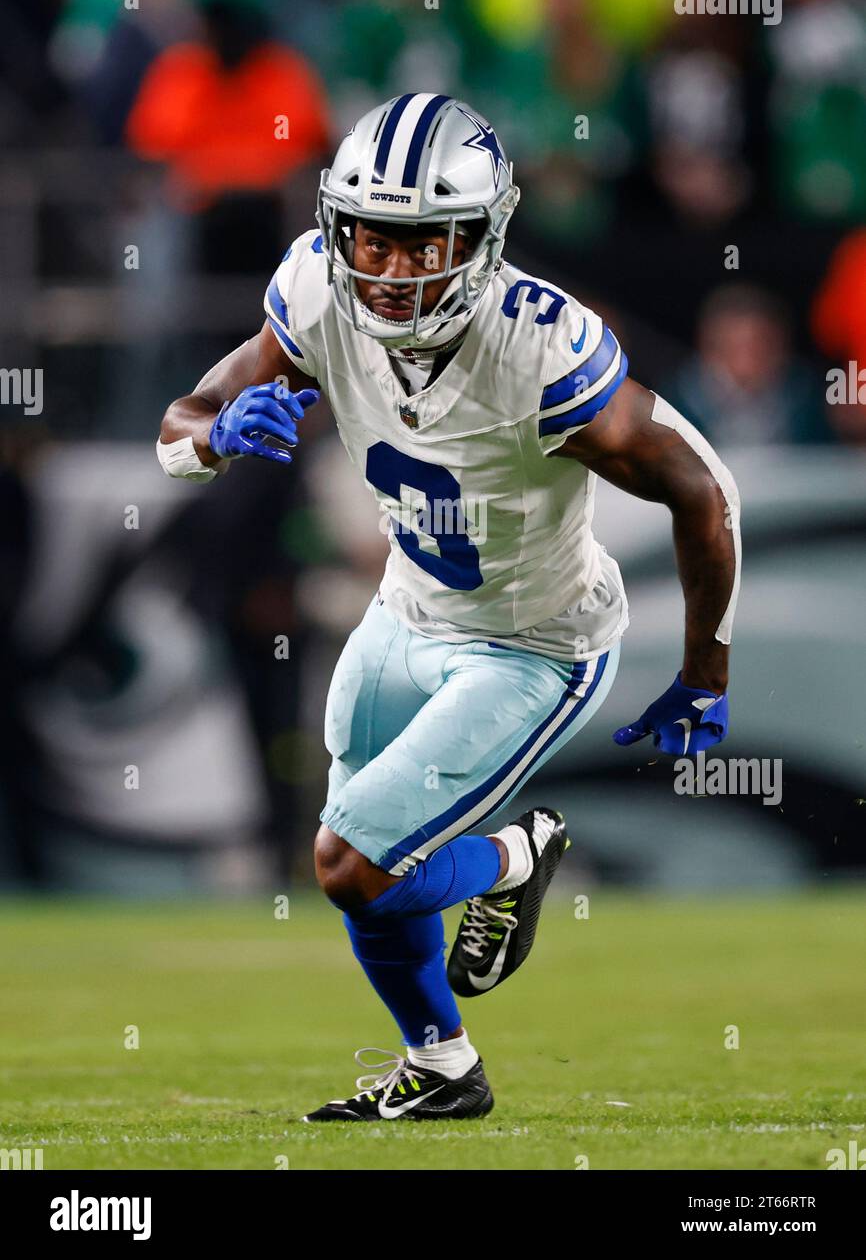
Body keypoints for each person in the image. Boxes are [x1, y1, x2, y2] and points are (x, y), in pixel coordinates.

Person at [158, 94, 740, 1122]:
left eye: (423, 244)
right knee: (365, 861)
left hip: (531, 646)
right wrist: (213, 442)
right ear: (338, 228)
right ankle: (441, 1065)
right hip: (405, 612)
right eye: (372, 241)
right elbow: (183, 421)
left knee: (348, 861)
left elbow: (702, 487)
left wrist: (703, 668)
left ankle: (516, 855)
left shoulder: (542, 347)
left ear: (482, 236)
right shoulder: (313, 292)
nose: (390, 271)